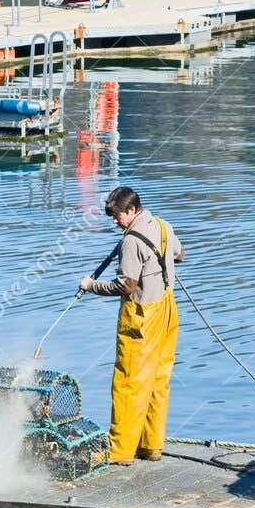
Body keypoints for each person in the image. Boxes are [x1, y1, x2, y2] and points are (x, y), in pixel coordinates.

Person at [80, 186, 184, 466]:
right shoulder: (162, 225)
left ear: (131, 210)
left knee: (129, 381)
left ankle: (120, 451)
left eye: (116, 216)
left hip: (141, 316)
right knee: (158, 380)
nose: (114, 221)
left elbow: (125, 286)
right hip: (167, 309)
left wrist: (91, 286)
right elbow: (179, 255)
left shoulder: (130, 242)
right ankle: (151, 446)